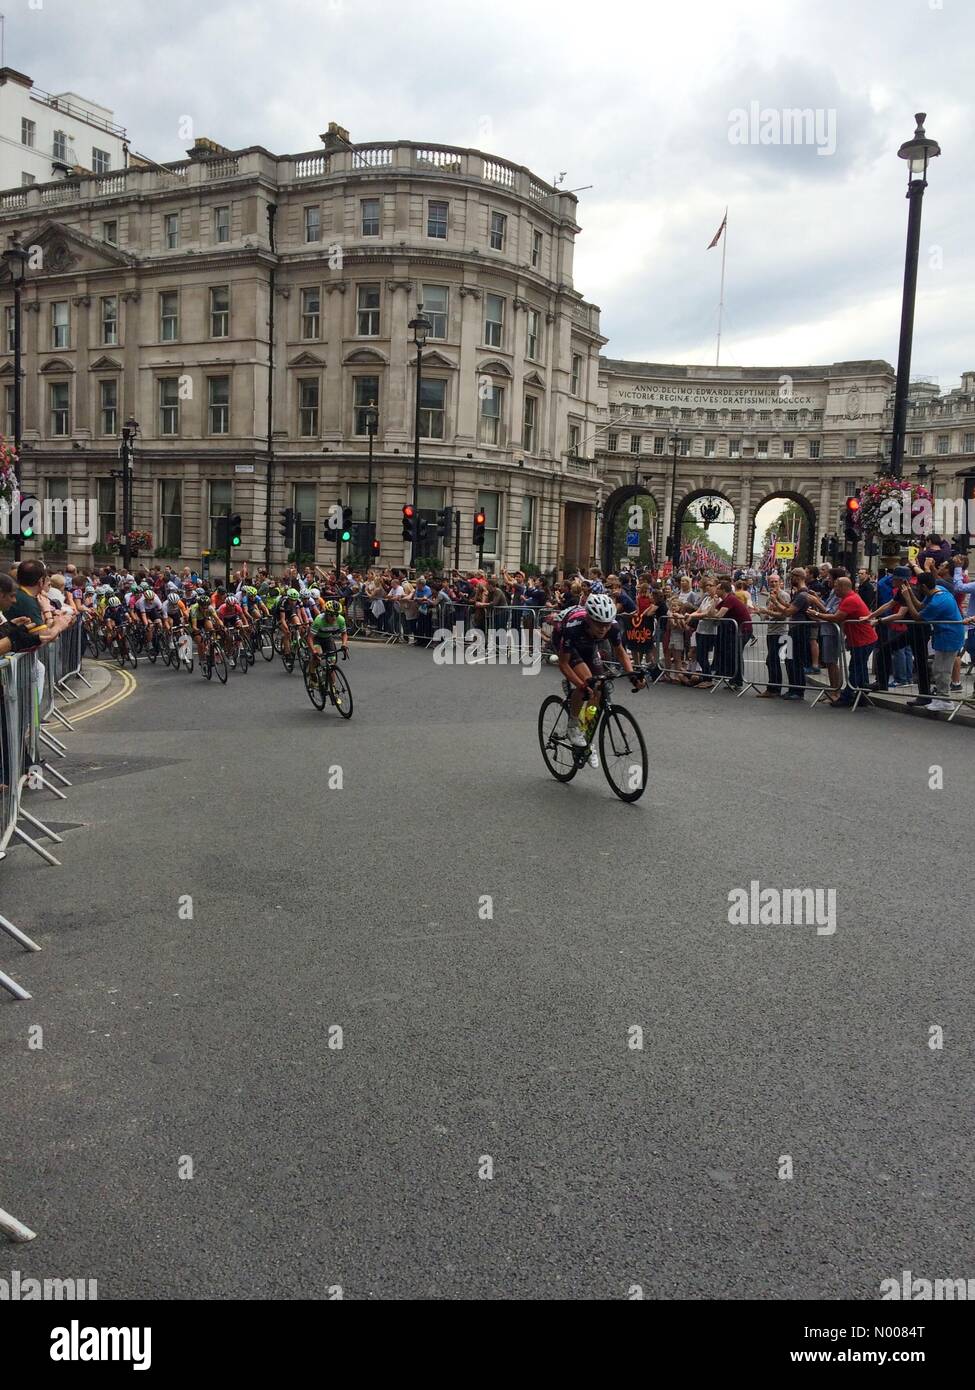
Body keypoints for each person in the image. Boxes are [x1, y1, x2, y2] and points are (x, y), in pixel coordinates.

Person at [554, 592, 645, 768]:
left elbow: (620, 652)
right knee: (588, 683)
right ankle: (573, 725)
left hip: (588, 644)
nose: (604, 629)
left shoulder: (613, 626)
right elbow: (563, 664)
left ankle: (586, 734)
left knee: (598, 686)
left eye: (606, 624)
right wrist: (580, 684)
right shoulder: (574, 627)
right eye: (599, 624)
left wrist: (633, 676)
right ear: (589, 619)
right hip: (566, 641)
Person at [898, 571, 964, 713]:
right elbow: (921, 606)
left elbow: (917, 616)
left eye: (918, 587)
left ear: (923, 587)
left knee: (942, 670)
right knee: (938, 668)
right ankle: (941, 698)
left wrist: (907, 599)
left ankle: (945, 700)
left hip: (949, 636)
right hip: (945, 635)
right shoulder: (938, 591)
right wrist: (910, 592)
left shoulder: (937, 602)